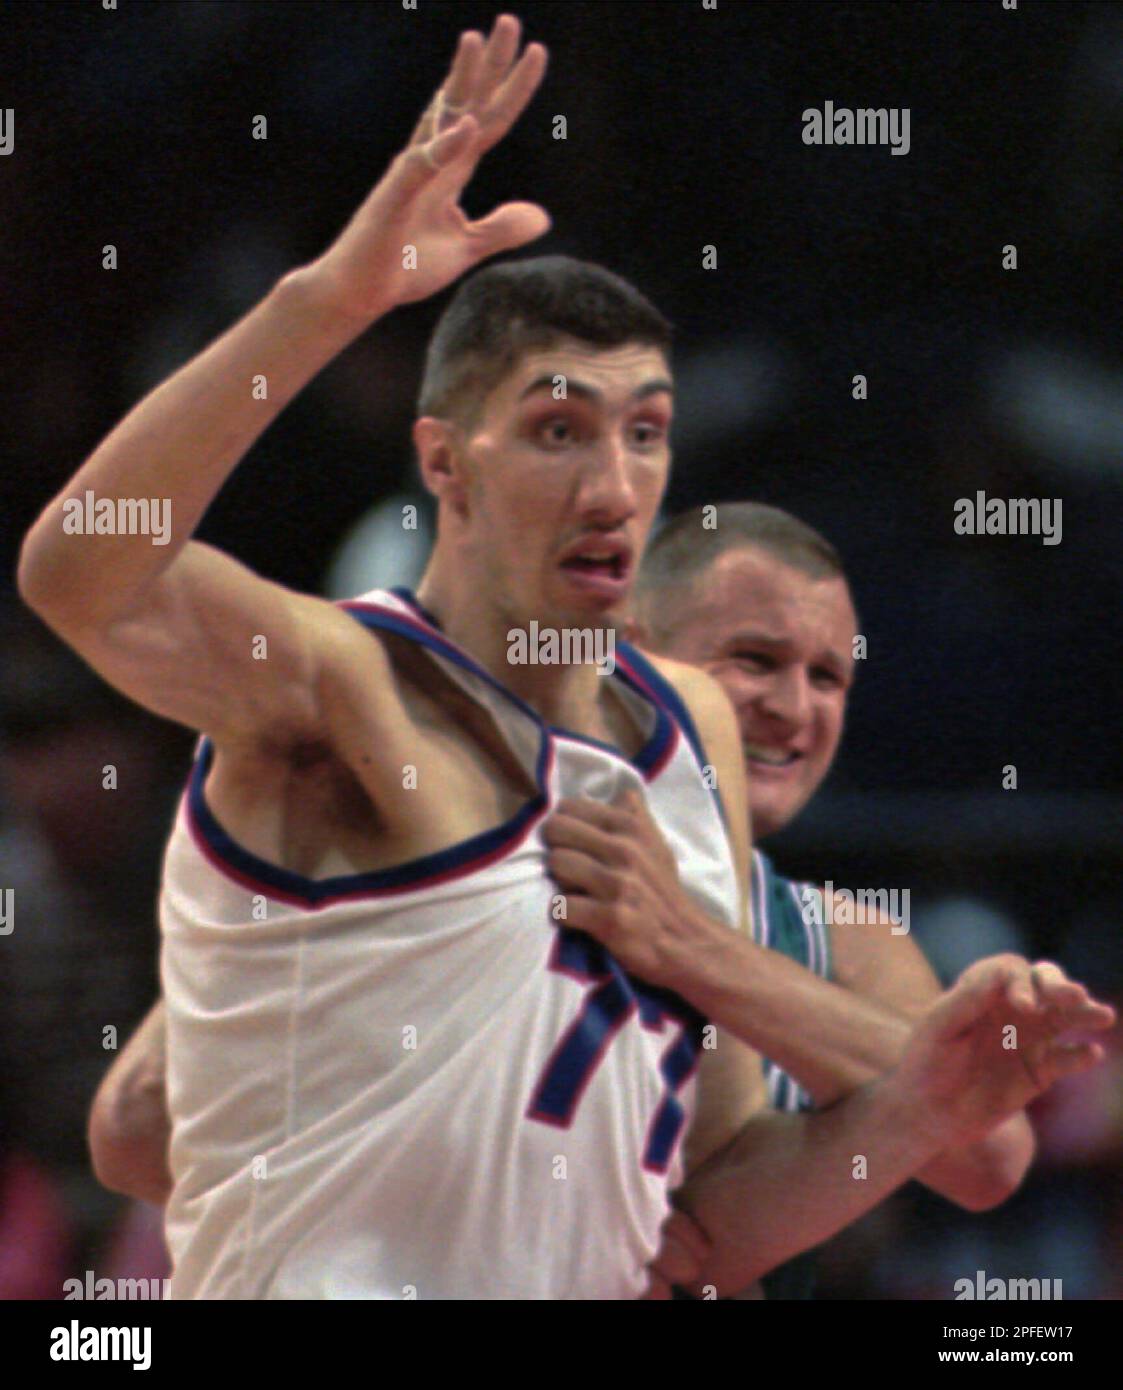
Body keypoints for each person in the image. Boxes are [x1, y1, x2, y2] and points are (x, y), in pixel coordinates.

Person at [25, 16, 1112, 1300]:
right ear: (445, 462)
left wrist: (915, 1104)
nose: (611, 483)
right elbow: (78, 567)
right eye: (556, 430)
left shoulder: (686, 727)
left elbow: (715, 1212)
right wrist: (330, 300)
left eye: (645, 434)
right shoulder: (342, 675)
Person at [631, 502, 1036, 1295]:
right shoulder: (523, 866)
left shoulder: (845, 942)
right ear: (635, 659)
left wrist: (688, 945)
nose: (793, 710)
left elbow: (990, 1158)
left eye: (827, 677)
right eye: (754, 659)